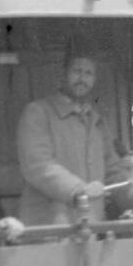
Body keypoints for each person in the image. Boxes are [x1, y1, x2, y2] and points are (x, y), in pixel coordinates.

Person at [17, 48, 119, 225]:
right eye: (77, 71)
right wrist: (78, 189)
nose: (82, 79)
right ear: (63, 74)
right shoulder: (37, 112)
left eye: (89, 73)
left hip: (91, 227)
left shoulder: (97, 121)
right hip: (50, 230)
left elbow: (113, 171)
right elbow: (39, 166)